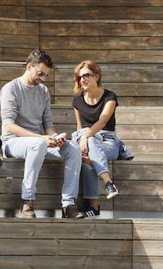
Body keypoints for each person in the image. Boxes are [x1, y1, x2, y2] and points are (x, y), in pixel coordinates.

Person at [0, 49, 84, 219]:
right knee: (37, 144)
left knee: (73, 148)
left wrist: (54, 137)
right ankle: (27, 202)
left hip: (39, 143)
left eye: (46, 75)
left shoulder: (43, 91)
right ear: (29, 66)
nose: (43, 78)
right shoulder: (11, 89)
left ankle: (68, 205)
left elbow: (48, 123)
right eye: (40, 74)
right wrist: (42, 139)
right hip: (13, 142)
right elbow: (9, 126)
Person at [71, 59, 124, 216]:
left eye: (87, 75)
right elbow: (79, 127)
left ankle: (94, 204)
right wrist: (83, 139)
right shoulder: (77, 100)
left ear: (96, 76)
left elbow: (102, 121)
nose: (83, 80)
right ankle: (107, 184)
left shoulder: (110, 97)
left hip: (108, 142)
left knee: (89, 147)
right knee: (87, 152)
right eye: (80, 77)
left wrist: (85, 137)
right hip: (87, 140)